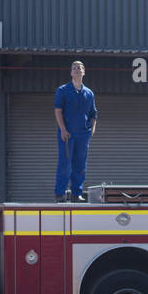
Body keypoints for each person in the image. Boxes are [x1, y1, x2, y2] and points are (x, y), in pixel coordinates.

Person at [53, 60, 98, 202]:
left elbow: (93, 114)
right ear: (71, 73)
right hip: (68, 134)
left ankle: (76, 194)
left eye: (79, 68)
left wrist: (91, 131)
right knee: (65, 164)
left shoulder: (89, 93)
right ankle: (60, 194)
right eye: (74, 68)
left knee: (80, 165)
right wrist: (63, 130)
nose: (77, 69)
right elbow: (58, 111)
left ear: (84, 72)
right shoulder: (63, 91)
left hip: (83, 135)